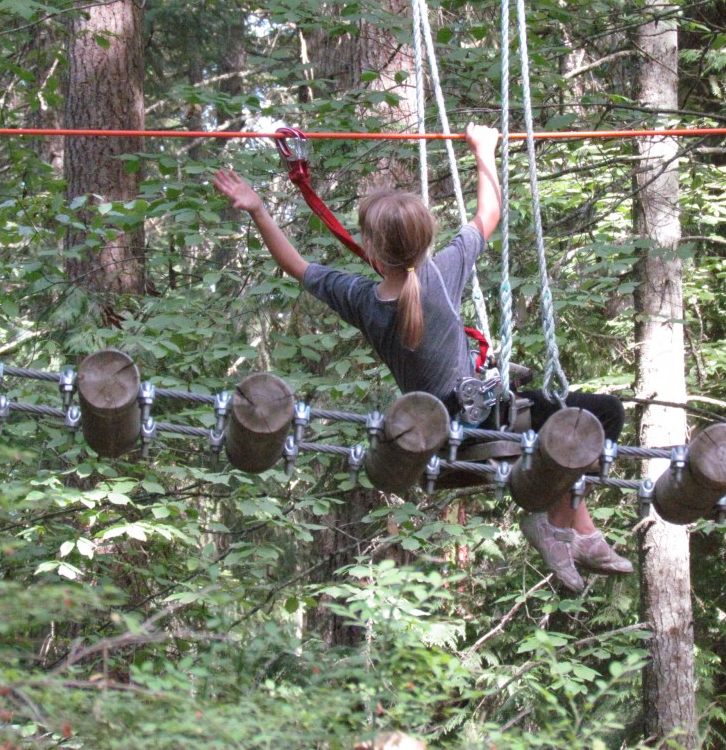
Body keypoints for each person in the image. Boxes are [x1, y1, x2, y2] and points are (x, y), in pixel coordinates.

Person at [213, 123, 631, 591]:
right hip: (483, 420)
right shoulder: (443, 271)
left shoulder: (362, 300)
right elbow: (489, 213)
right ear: (428, 237)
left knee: (570, 428)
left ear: (370, 248)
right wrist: (483, 151)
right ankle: (557, 523)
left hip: (442, 429)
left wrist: (259, 210)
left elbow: (297, 265)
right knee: (604, 415)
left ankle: (576, 528)